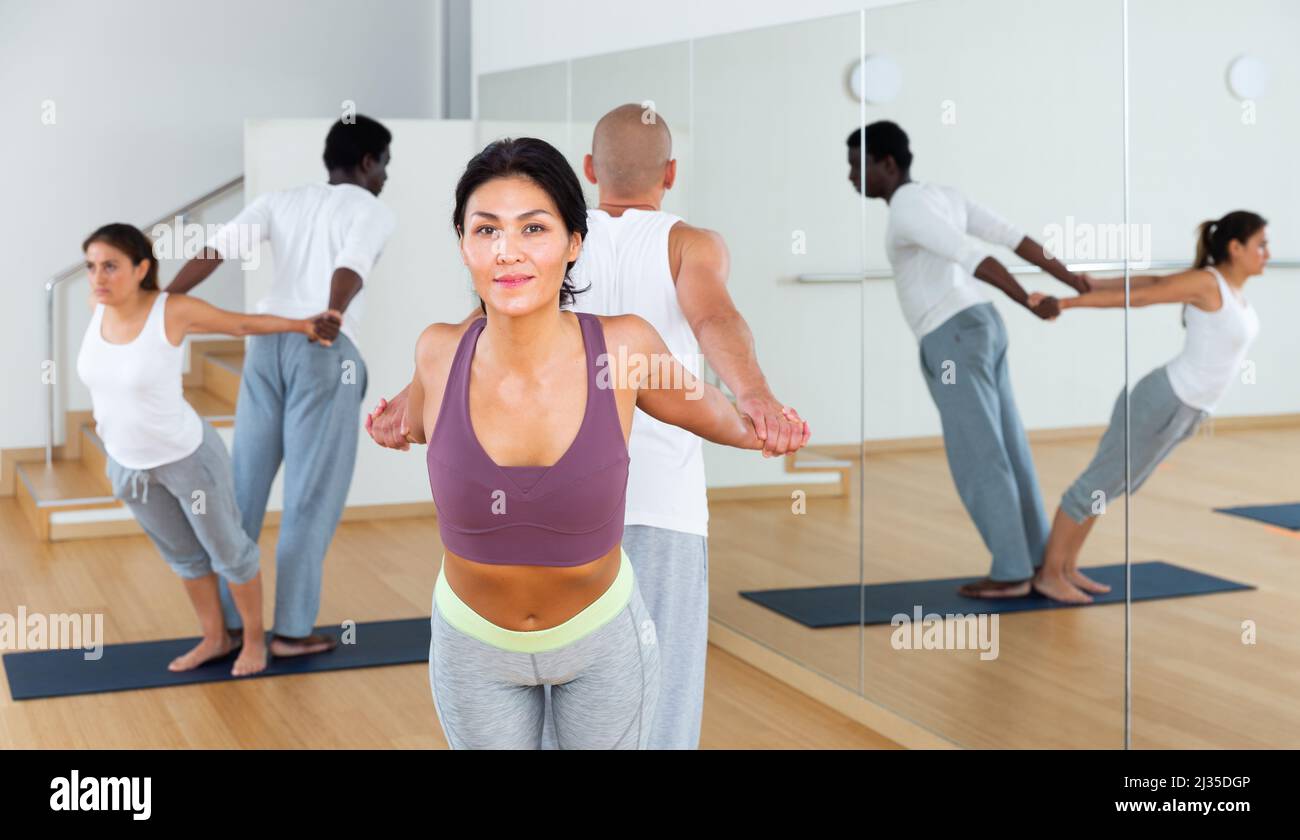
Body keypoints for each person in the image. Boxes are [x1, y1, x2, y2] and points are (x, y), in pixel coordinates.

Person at [369, 104, 809, 748]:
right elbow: (420, 413)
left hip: (604, 618)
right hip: (475, 643)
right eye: (485, 230)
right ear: (462, 241)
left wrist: (763, 420)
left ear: (576, 240)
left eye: (532, 230)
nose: (508, 250)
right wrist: (395, 421)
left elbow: (708, 404)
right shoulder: (440, 349)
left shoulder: (627, 338)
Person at [165, 115, 397, 656]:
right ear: (367, 162)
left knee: (241, 489)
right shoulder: (371, 208)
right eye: (385, 164)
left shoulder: (280, 200)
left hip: (265, 347)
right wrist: (334, 312)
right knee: (310, 497)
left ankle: (224, 631)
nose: (386, 175)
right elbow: (352, 264)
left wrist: (166, 303)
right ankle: (292, 630)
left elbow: (215, 250)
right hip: (322, 347)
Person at [76, 223, 339, 675]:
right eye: (92, 267)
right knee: (184, 557)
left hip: (188, 460)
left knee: (230, 553)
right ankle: (215, 638)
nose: (99, 277)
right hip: (128, 466)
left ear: (141, 268)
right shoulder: (97, 309)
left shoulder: (171, 310)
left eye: (111, 266)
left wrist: (301, 325)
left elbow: (239, 324)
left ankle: (254, 642)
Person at [848, 120, 1090, 598]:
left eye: (857, 165)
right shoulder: (943, 196)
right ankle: (1039, 561)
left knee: (979, 454)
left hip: (952, 336)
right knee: (1008, 448)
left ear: (887, 163)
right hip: (982, 326)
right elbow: (1013, 236)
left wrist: (1032, 301)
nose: (851, 176)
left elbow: (973, 255)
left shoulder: (908, 208)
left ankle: (1011, 573)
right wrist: (1071, 278)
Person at [1030, 211, 1266, 602]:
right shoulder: (1209, 283)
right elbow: (1143, 295)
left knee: (1110, 487)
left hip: (1184, 410)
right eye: (1261, 244)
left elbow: (1154, 282)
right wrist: (1068, 303)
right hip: (1162, 402)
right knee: (1096, 484)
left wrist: (1096, 282)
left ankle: (1068, 567)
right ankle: (1049, 574)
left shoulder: (1233, 293)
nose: (1267, 253)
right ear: (1235, 247)